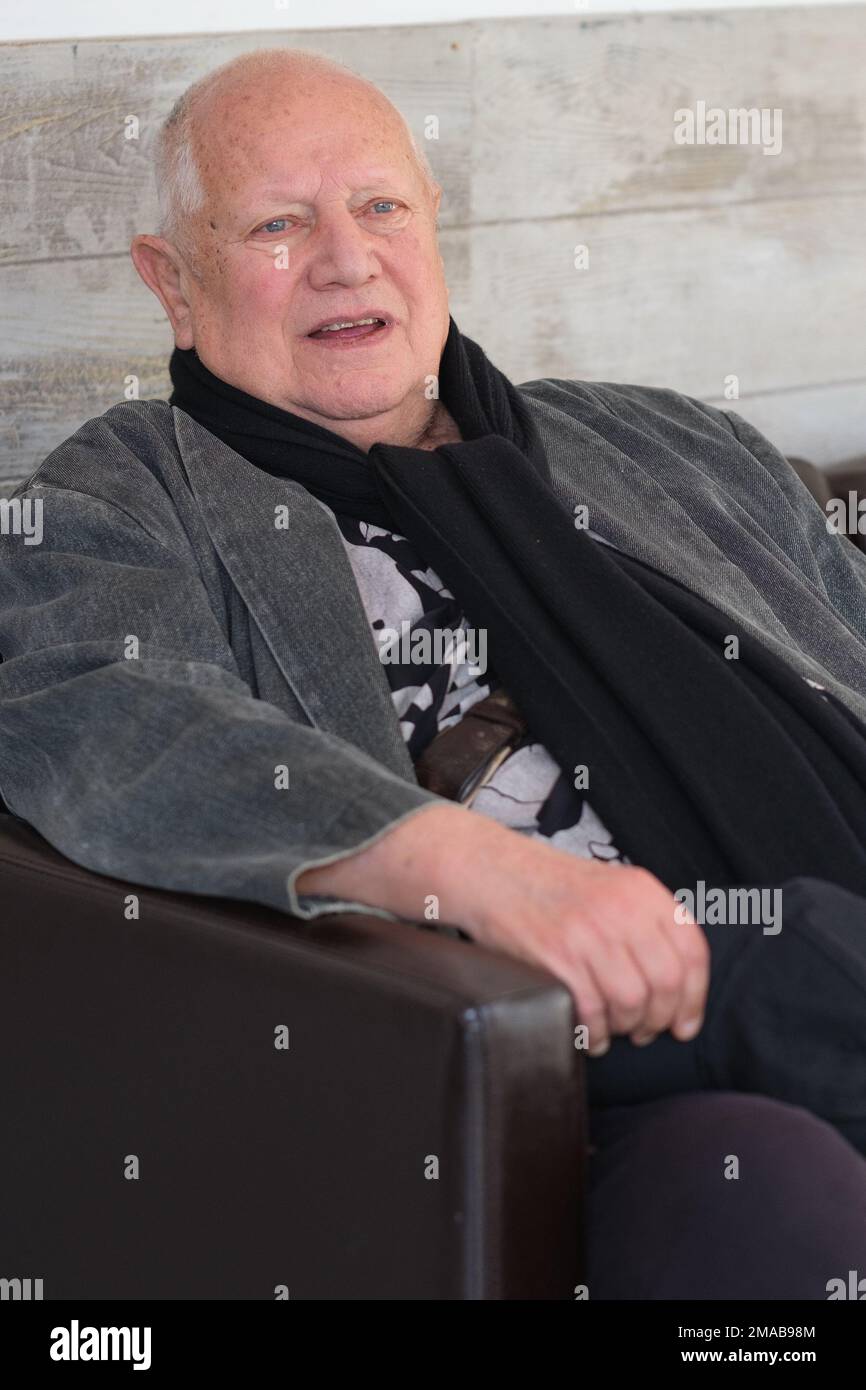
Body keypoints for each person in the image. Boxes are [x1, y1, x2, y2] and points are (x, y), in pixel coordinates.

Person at [2, 47, 866, 1299]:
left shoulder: (672, 444)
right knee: (787, 1037)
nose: (345, 258)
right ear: (171, 281)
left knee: (755, 1164)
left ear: (433, 228)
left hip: (778, 987)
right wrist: (459, 863)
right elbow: (102, 719)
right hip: (500, 1027)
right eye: (276, 224)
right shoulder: (122, 499)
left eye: (379, 207)